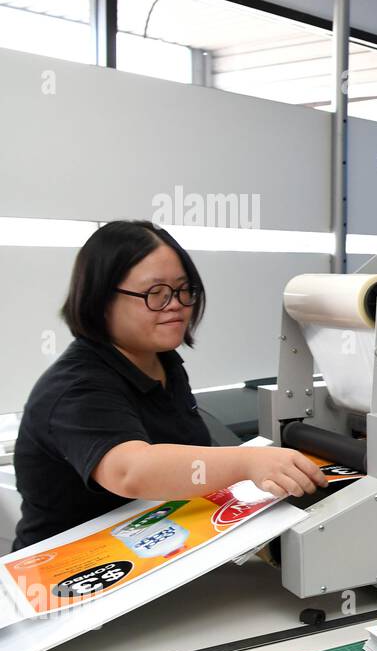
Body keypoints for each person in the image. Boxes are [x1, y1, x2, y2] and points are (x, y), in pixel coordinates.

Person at [11, 221, 327, 552]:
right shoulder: (75, 388)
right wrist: (248, 463)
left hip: (157, 554)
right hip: (67, 579)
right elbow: (130, 471)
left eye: (182, 290)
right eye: (156, 293)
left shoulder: (163, 365)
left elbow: (186, 468)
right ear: (101, 299)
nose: (175, 304)